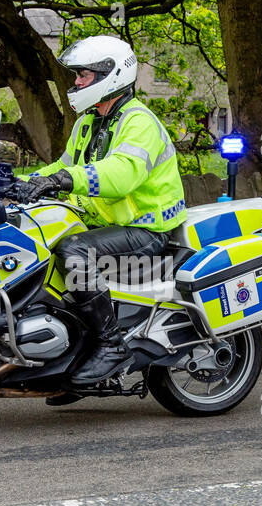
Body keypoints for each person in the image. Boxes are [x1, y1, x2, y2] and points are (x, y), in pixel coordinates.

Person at [12, 34, 187, 387]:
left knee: (72, 251)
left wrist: (63, 180)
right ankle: (69, 354)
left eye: (84, 75)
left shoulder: (139, 122)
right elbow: (62, 166)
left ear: (112, 75)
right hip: (105, 226)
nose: (76, 82)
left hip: (147, 230)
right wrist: (18, 183)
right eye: (77, 75)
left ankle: (110, 345)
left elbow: (120, 175)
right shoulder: (88, 123)